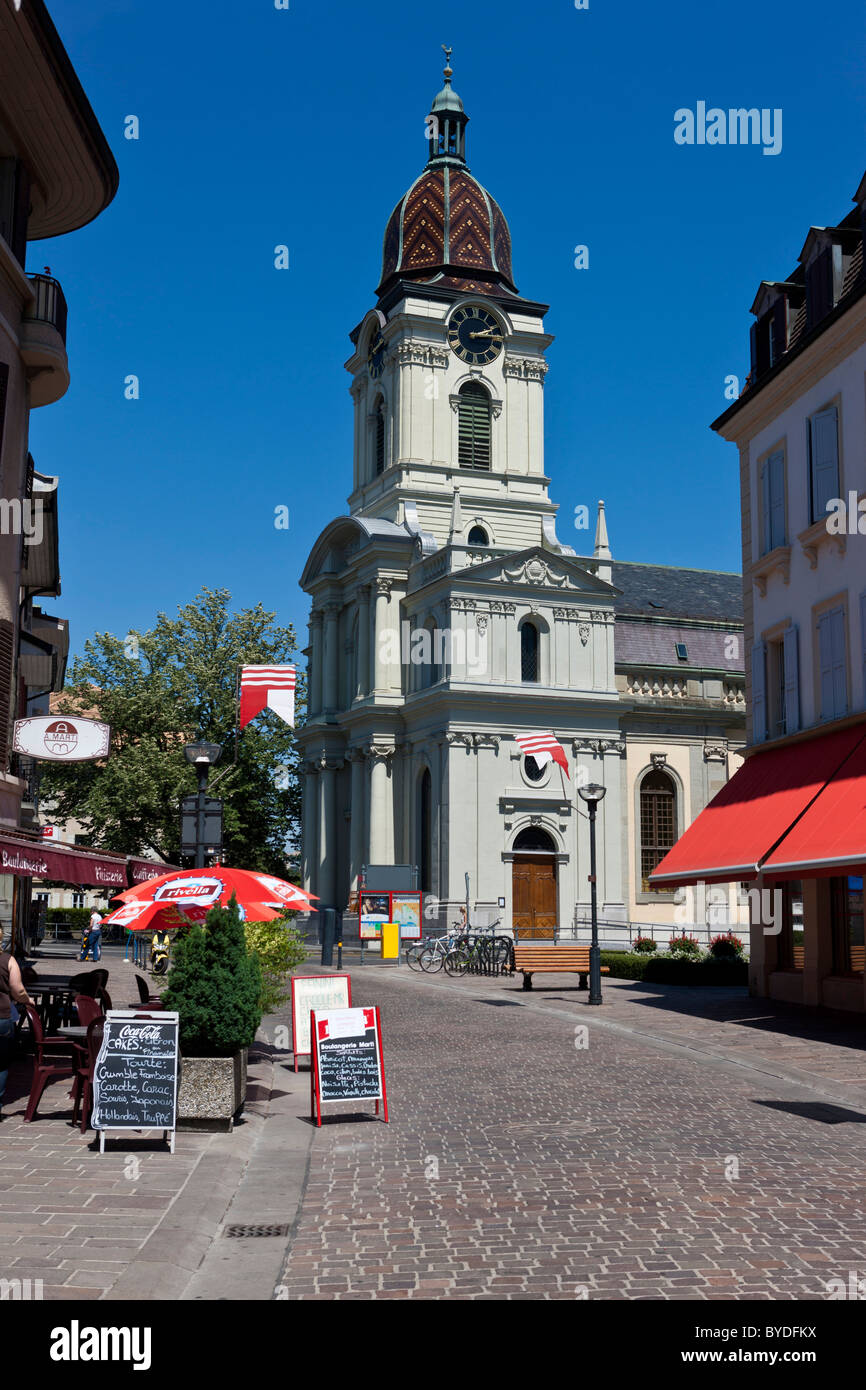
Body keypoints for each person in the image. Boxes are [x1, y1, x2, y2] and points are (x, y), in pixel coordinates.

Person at [0, 947, 35, 1119]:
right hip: (1, 1017)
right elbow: (18, 990)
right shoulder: (7, 960)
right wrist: (28, 1000)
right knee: (0, 1065)